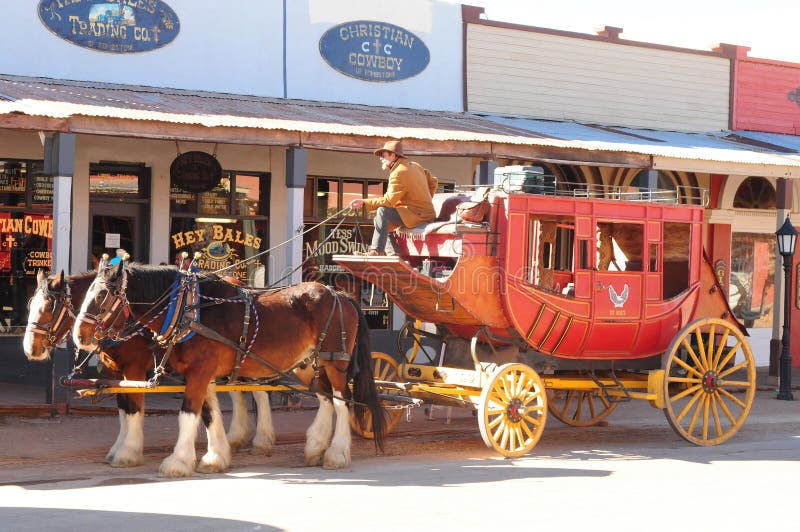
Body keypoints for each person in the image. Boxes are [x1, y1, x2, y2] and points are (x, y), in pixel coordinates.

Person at [350, 139, 438, 256]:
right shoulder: (415, 165)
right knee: (381, 219)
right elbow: (434, 182)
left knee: (382, 211)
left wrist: (364, 202)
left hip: (417, 215)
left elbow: (388, 201)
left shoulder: (398, 172)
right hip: (424, 213)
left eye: (384, 155)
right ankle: (393, 253)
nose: (381, 158)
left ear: (393, 155)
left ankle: (377, 251)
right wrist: (426, 199)